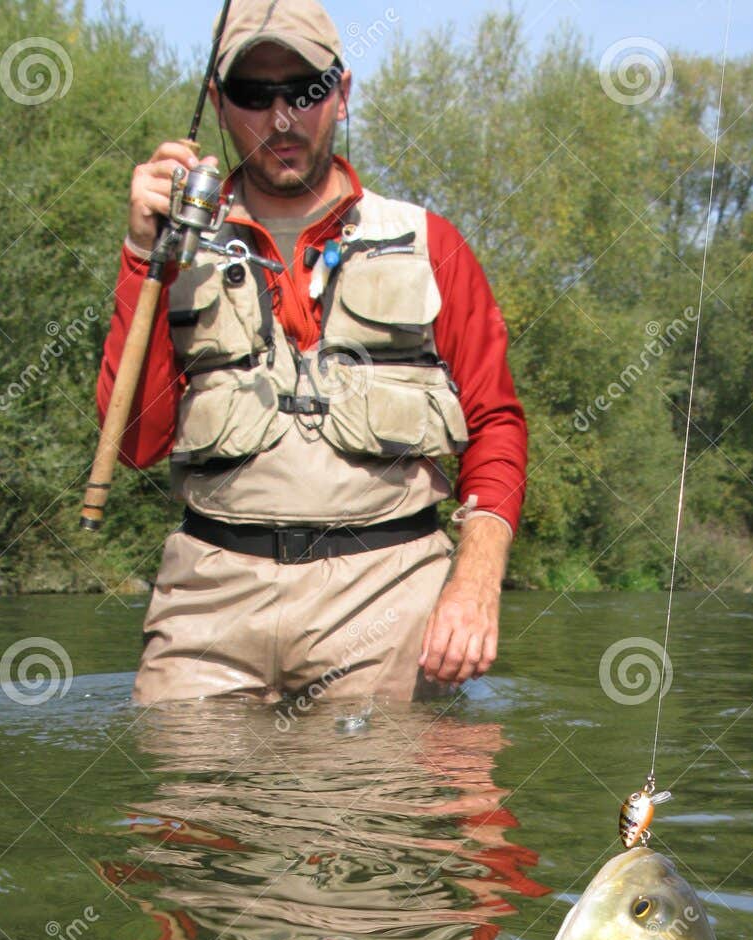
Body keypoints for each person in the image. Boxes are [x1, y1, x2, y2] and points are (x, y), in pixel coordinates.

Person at [97, 0, 526, 706]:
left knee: (404, 808)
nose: (282, 118)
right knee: (180, 812)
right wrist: (145, 255)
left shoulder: (432, 244)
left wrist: (475, 584)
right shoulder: (170, 250)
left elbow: (498, 425)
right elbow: (135, 441)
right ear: (218, 102)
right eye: (254, 95)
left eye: (305, 90)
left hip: (386, 600)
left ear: (343, 91)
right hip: (209, 601)